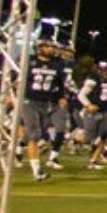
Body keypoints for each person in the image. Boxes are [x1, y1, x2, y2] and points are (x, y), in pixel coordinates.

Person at [19, 32, 68, 181]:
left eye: (51, 46)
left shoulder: (57, 64)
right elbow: (17, 80)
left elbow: (59, 84)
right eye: (47, 46)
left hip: (45, 102)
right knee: (35, 135)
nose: (50, 49)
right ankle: (36, 171)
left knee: (36, 133)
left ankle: (18, 149)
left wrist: (61, 96)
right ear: (39, 47)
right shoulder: (29, 62)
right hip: (29, 100)